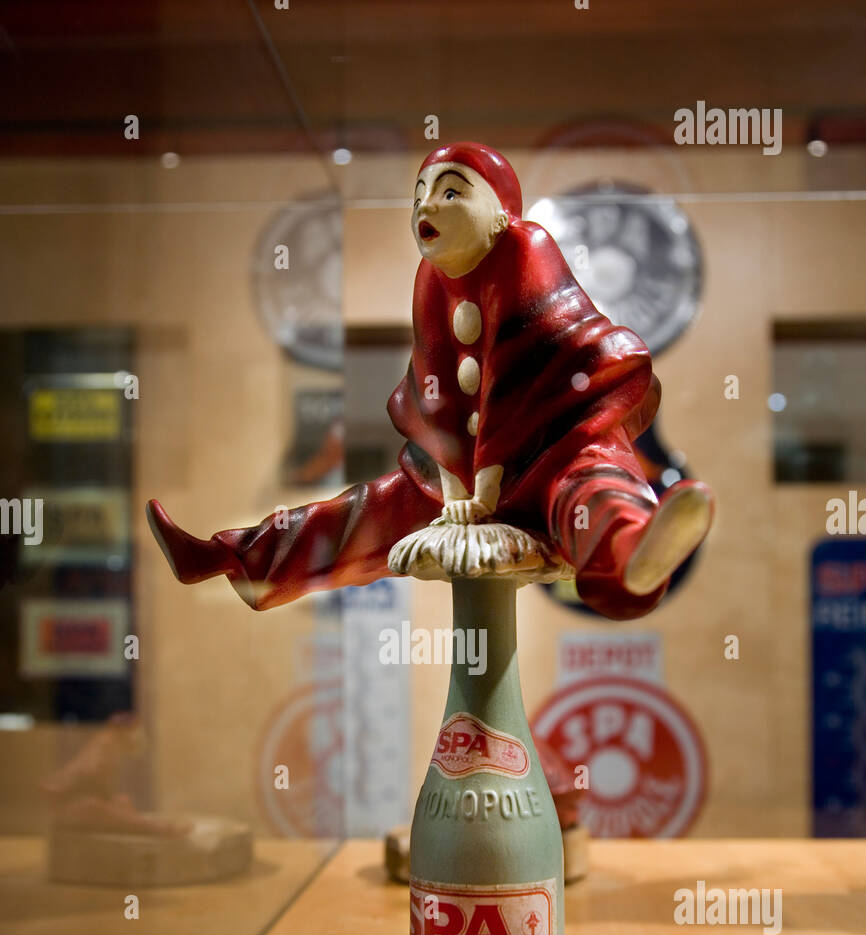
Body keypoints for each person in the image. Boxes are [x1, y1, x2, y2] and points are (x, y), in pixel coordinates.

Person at [147, 141, 712, 620]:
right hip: (466, 471)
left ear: (501, 211)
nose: (427, 206)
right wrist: (453, 487)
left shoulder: (524, 249)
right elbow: (432, 386)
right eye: (419, 194)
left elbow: (515, 374)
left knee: (590, 489)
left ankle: (636, 552)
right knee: (365, 513)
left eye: (451, 191)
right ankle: (233, 558)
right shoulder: (430, 280)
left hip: (551, 444)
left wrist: (486, 488)